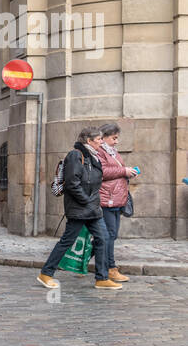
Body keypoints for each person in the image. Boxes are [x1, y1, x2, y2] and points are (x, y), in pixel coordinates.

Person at [37, 127, 122, 290]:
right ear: (89, 141)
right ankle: (46, 274)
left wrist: (93, 203)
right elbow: (72, 183)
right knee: (67, 241)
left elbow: (94, 183)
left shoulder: (94, 157)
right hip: (79, 209)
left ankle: (102, 278)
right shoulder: (76, 155)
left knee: (103, 238)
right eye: (99, 140)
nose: (101, 142)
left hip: (93, 209)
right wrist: (86, 200)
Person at [94, 122, 140, 282]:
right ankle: (110, 268)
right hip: (106, 199)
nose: (116, 141)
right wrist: (123, 171)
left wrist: (128, 173)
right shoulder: (100, 152)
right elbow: (103, 172)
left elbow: (115, 172)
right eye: (114, 138)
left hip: (116, 199)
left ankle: (100, 264)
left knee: (109, 235)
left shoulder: (113, 152)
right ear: (104, 137)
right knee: (109, 235)